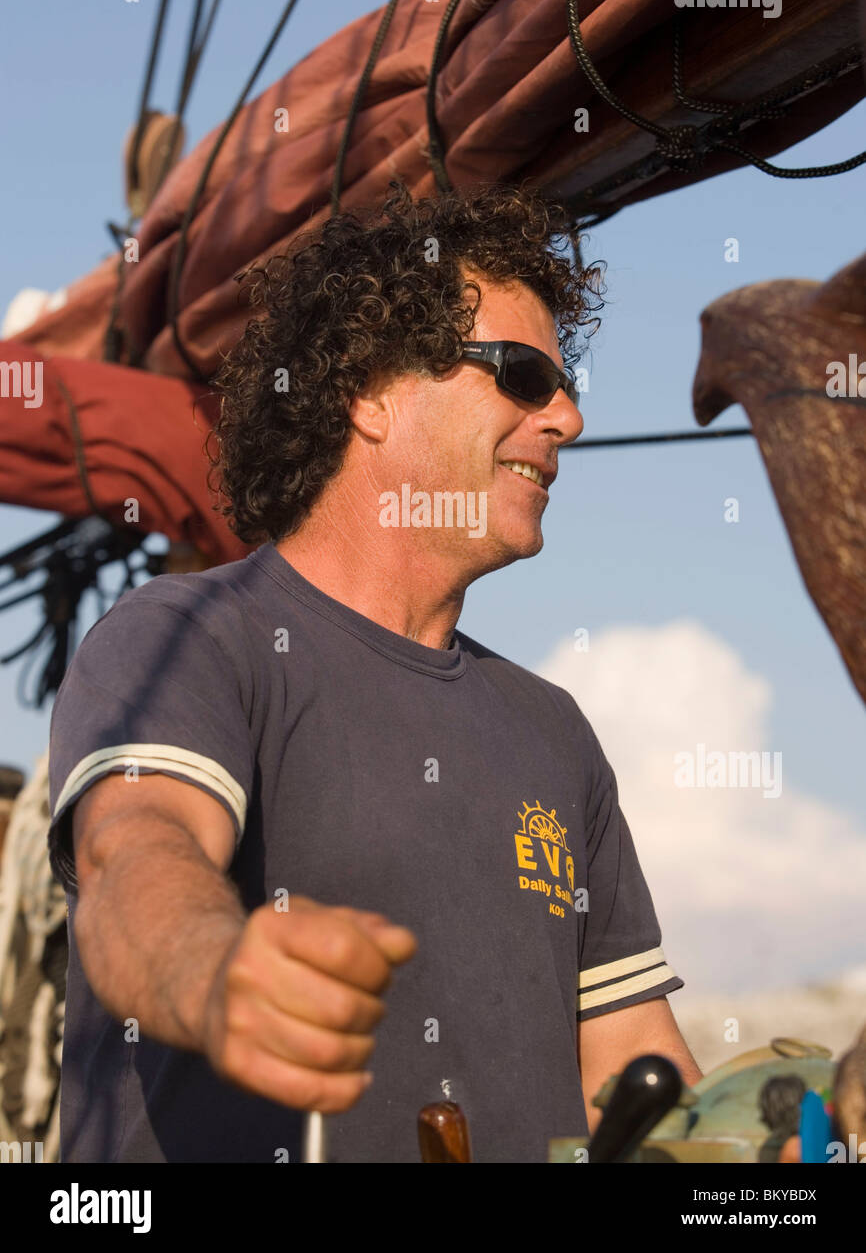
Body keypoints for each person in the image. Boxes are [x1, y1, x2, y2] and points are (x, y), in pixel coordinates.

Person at [48, 181, 701, 1163]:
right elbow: (134, 853)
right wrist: (215, 971)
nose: (564, 417)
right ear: (370, 390)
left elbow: (636, 1065)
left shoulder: (554, 732)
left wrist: (772, 1140)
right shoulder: (186, 637)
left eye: (564, 388)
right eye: (520, 375)